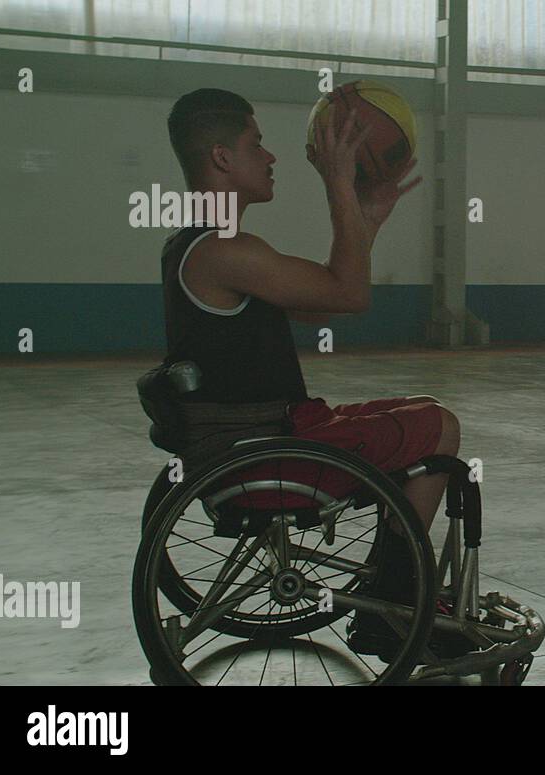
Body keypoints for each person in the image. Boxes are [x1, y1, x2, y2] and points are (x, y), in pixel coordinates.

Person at [161, 88, 452, 658]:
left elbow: (324, 303)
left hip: (261, 434)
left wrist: (365, 218)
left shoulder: (204, 246)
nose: (271, 157)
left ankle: (389, 593)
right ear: (222, 158)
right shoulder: (224, 251)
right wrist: (337, 183)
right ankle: (395, 603)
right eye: (257, 144)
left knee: (422, 408)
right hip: (266, 447)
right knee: (439, 428)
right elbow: (351, 293)